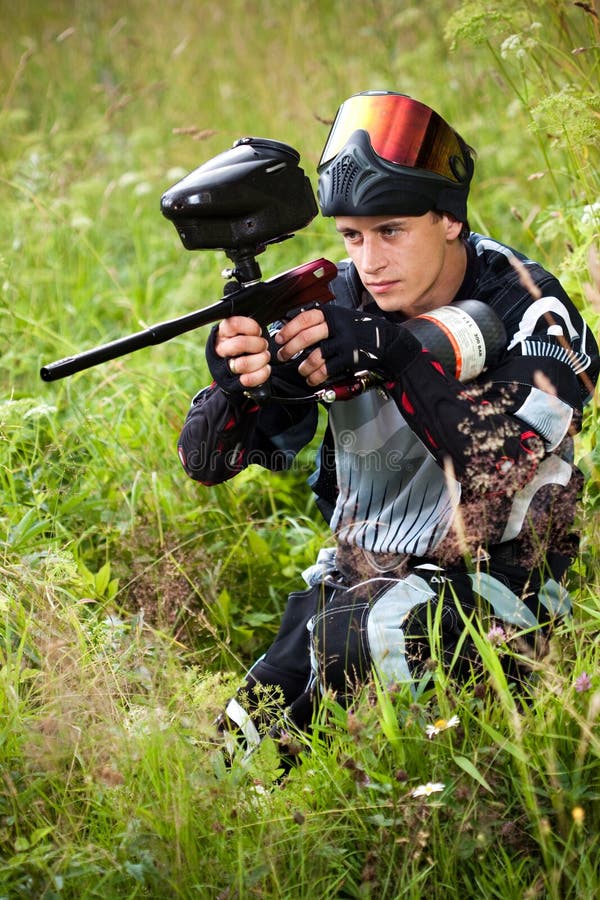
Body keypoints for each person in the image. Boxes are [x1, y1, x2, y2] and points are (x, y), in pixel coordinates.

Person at [177, 91, 599, 751]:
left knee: (363, 645)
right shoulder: (333, 300)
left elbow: (499, 463)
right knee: (231, 749)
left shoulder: (527, 301)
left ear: (449, 219)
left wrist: (394, 356)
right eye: (352, 235)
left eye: (391, 231)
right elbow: (211, 462)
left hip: (504, 583)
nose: (369, 262)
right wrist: (241, 388)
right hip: (358, 574)